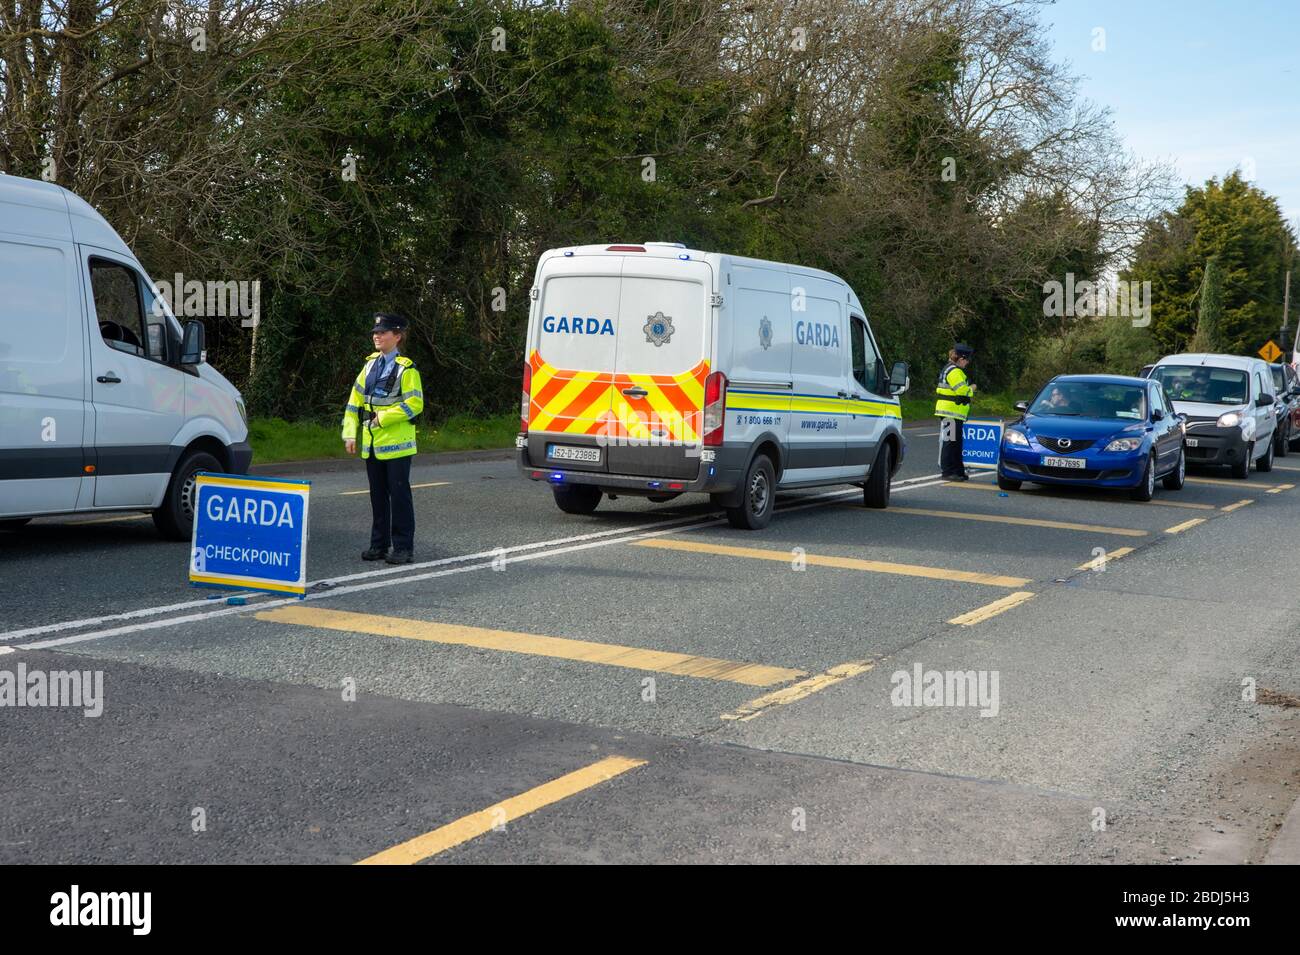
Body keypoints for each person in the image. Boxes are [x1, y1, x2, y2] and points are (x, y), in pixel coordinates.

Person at [342, 312, 424, 564]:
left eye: (382, 332)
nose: (377, 336)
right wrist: (349, 433)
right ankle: (378, 545)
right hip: (372, 445)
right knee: (377, 497)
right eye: (375, 333)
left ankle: (403, 548)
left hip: (397, 446)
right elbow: (354, 403)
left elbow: (415, 404)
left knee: (399, 498)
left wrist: (383, 417)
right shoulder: (368, 366)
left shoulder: (406, 369)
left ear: (397, 337)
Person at [934, 342, 975, 480]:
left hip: (951, 413)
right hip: (949, 413)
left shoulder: (951, 369)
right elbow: (962, 390)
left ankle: (958, 471)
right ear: (961, 358)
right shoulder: (954, 371)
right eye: (967, 361)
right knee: (950, 443)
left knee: (955, 443)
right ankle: (948, 472)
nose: (967, 364)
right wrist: (972, 389)